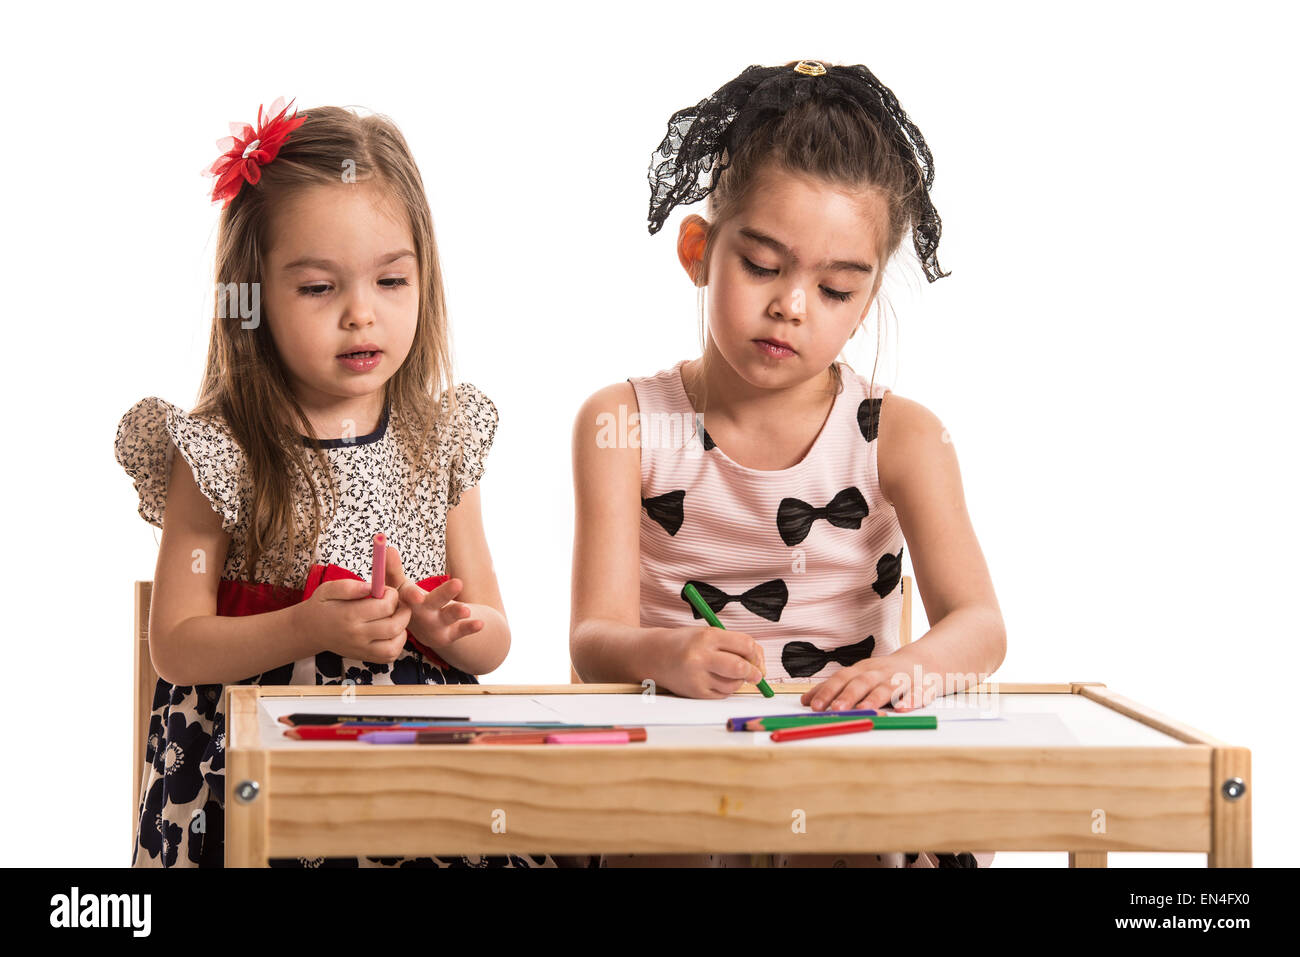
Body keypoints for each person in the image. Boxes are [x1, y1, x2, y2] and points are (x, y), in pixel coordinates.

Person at [117, 97, 574, 868]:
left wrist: (443, 625)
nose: (362, 315)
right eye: (319, 289)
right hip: (253, 785)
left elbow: (493, 635)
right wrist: (305, 627)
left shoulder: (440, 441)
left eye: (391, 281)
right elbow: (176, 645)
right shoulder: (220, 452)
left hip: (414, 780)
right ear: (252, 300)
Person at [571, 61, 1005, 868]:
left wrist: (908, 672)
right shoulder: (623, 422)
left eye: (836, 289)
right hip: (675, 777)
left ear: (866, 300)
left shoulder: (902, 436)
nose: (791, 305)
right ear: (699, 251)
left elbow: (979, 626)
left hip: (845, 774)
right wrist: (661, 654)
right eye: (763, 266)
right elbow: (595, 638)